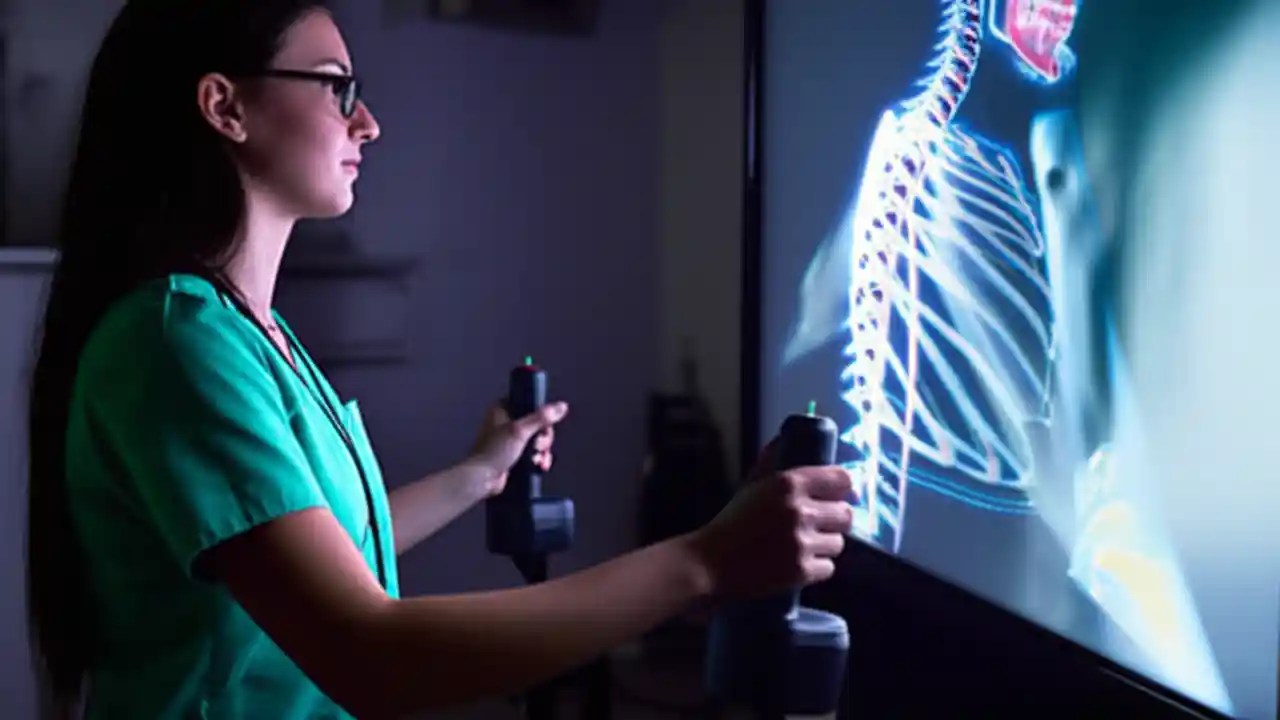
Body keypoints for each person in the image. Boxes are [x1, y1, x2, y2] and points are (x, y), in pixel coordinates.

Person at [25, 2, 857, 718]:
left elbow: (324, 545)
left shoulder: (249, 331)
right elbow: (370, 654)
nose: (367, 122)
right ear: (225, 106)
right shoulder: (178, 341)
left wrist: (478, 474)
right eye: (336, 87)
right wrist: (703, 563)